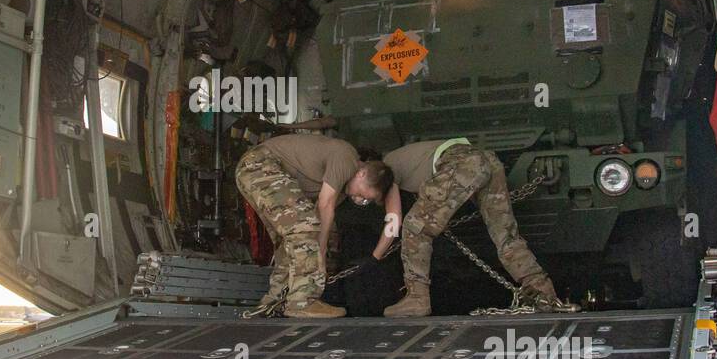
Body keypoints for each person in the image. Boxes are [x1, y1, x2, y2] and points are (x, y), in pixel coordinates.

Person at [380, 138, 576, 317]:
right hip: (487, 160)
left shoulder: (386, 166)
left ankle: (417, 298)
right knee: (506, 236)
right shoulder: (402, 161)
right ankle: (542, 291)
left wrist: (377, 253)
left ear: (364, 170)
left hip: (464, 163)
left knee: (415, 227)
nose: (359, 198)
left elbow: (394, 214)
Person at [236, 134, 394, 317]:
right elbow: (324, 207)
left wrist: (320, 252)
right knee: (305, 228)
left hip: (254, 170)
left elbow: (320, 219)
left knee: (292, 239)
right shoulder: (346, 158)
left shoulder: (342, 189)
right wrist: (320, 249)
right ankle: (303, 301)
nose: (360, 199)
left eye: (366, 201)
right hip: (261, 163)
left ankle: (273, 302)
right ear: (362, 173)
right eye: (365, 195)